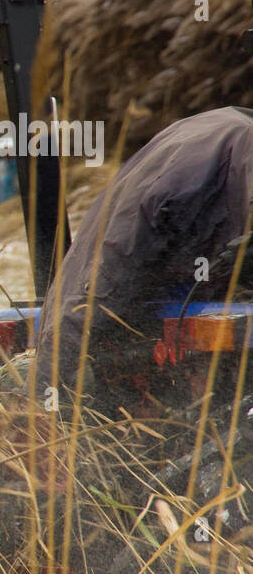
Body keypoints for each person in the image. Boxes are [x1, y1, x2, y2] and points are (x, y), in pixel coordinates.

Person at [35, 107, 253, 403]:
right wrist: (40, 394)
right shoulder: (175, 191)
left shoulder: (228, 145)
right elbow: (98, 291)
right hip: (131, 273)